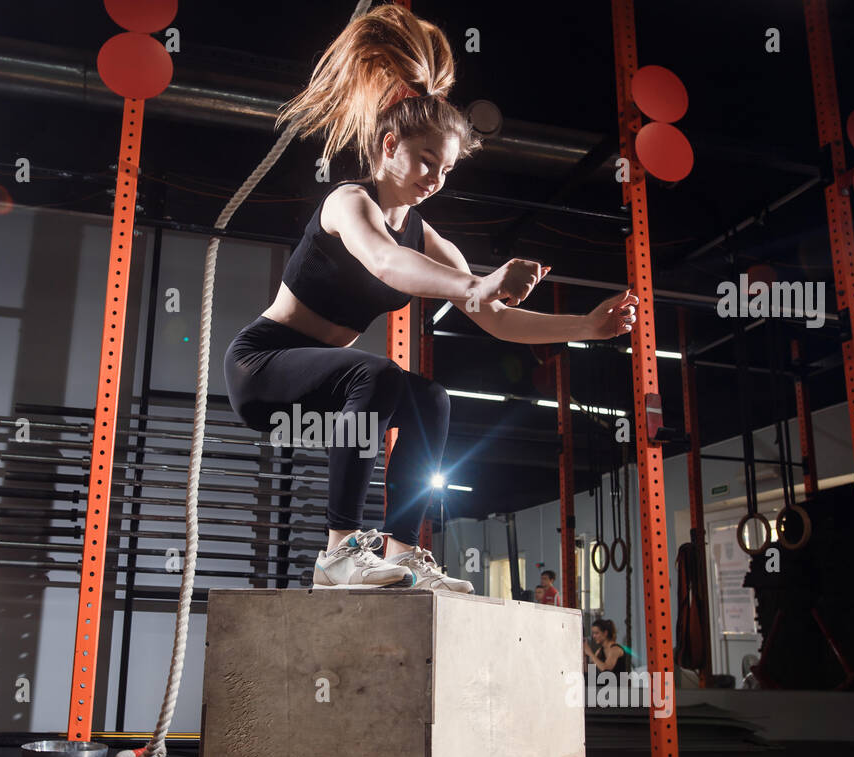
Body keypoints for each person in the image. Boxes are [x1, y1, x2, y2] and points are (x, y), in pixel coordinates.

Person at [223, 5, 637, 591]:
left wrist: (586, 326)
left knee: (431, 401)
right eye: (425, 161)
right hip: (262, 372)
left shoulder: (428, 238)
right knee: (379, 377)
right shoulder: (349, 202)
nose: (434, 179)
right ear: (389, 145)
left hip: (324, 400)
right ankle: (339, 551)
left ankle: (401, 552)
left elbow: (494, 318)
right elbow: (388, 263)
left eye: (444, 170)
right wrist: (475, 283)